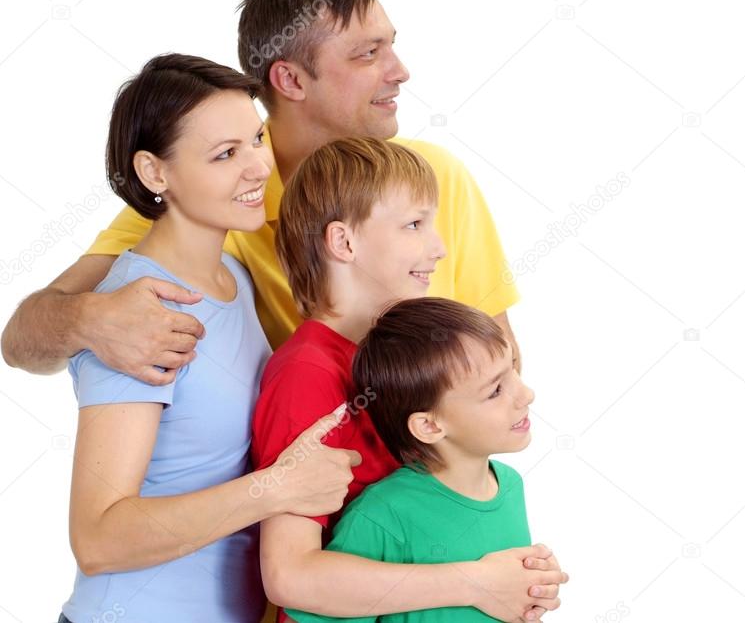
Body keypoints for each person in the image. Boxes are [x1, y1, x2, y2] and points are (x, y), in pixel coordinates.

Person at [2, 0, 522, 384]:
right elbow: (21, 341)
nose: (400, 70)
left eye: (390, 44)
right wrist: (91, 320)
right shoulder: (211, 195)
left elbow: (503, 363)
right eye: (369, 54)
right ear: (290, 79)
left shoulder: (435, 177)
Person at [58, 54, 361, 623]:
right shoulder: (141, 311)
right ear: (154, 173)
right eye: (226, 155)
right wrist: (275, 489)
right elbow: (97, 540)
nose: (258, 168)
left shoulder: (232, 277)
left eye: (255, 139)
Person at [253, 138, 563, 622]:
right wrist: (477, 583)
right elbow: (290, 576)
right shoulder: (306, 374)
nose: (439, 248)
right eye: (414, 225)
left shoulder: (395, 355)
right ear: (344, 243)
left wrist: (517, 578)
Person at [286, 296, 536, 623]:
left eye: (512, 369)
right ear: (429, 425)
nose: (526, 394)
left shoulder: (509, 484)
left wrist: (533, 586)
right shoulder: (383, 515)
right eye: (494, 391)